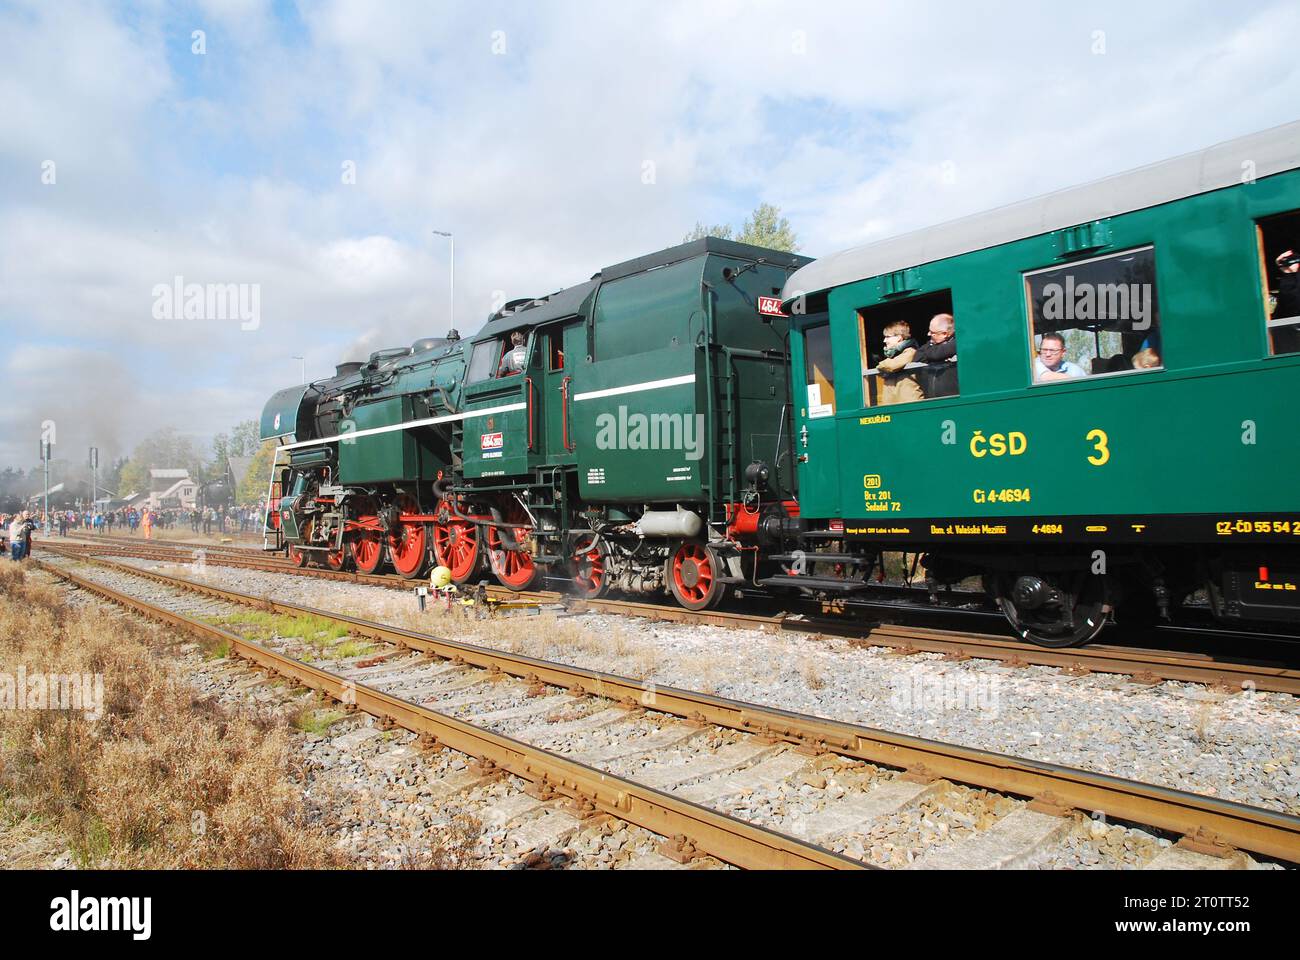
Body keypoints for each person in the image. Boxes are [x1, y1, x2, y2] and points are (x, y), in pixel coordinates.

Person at [875, 320, 925, 405]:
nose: (884, 340)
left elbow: (892, 365)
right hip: (891, 405)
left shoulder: (911, 351)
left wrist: (880, 365)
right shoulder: (891, 356)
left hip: (909, 403)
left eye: (887, 337)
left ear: (899, 337)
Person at [912, 313, 959, 398]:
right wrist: (930, 345)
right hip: (932, 399)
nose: (928, 334)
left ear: (945, 334)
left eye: (932, 332)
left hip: (953, 398)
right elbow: (917, 358)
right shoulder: (930, 344)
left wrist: (931, 354)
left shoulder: (957, 342)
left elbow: (935, 354)